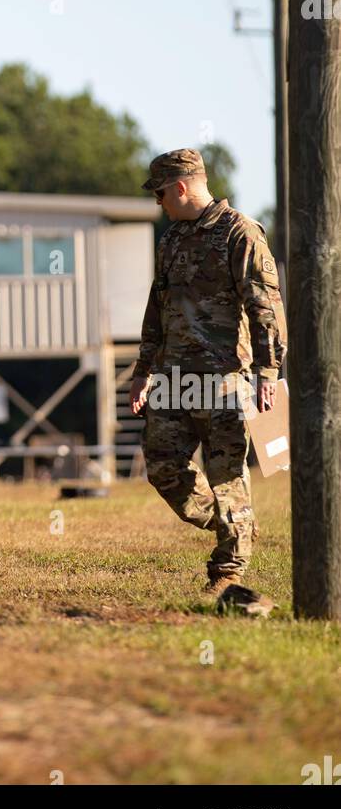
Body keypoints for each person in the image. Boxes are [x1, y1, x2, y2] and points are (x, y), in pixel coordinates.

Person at [130, 149, 288, 594]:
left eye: (160, 193)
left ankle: (228, 570)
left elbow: (265, 306)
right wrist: (143, 370)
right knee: (163, 465)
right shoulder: (172, 240)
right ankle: (235, 523)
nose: (158, 202)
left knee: (226, 475)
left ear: (180, 187)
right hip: (174, 380)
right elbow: (156, 309)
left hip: (225, 382)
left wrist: (267, 370)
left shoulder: (241, 233)